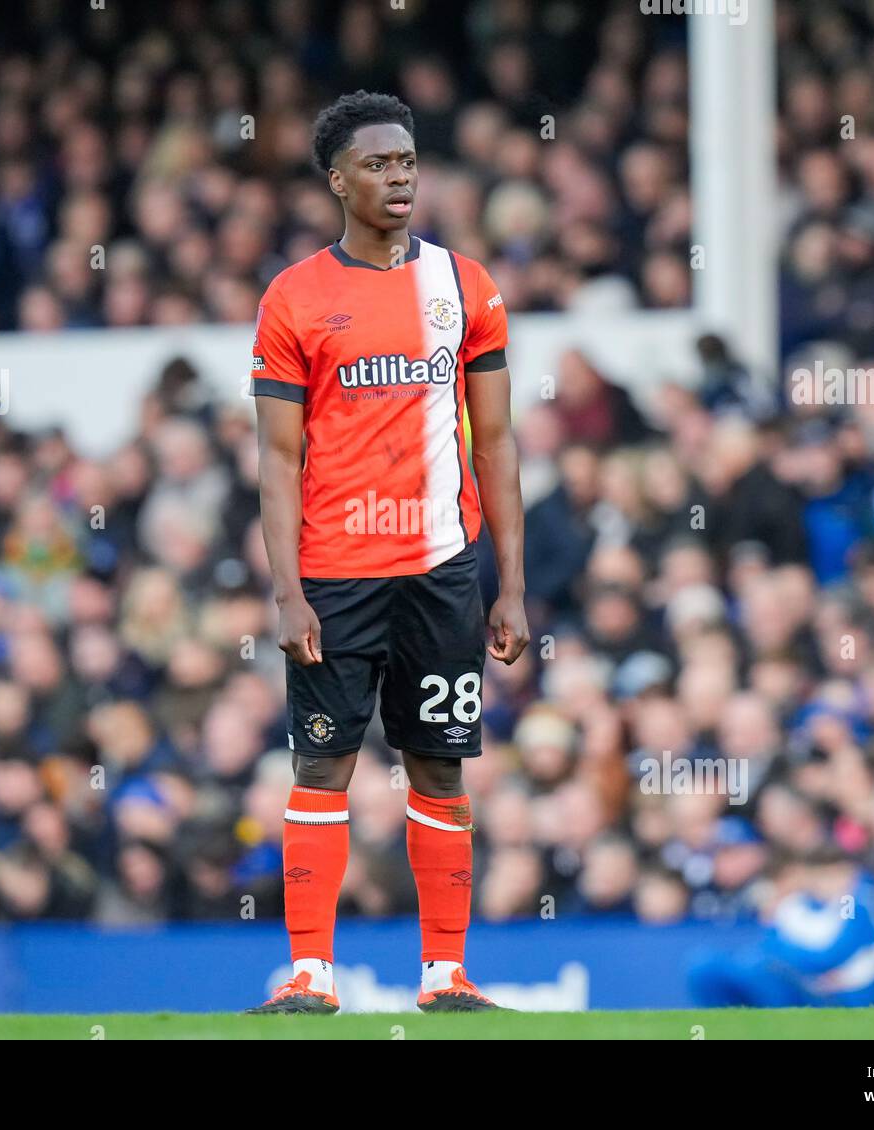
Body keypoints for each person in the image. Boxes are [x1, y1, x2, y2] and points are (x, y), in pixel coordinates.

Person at [246, 91, 529, 1014]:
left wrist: (510, 586)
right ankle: (310, 974)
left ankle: (445, 975)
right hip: (334, 571)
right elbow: (278, 459)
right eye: (377, 163)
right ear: (338, 179)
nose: (399, 176)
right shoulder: (293, 297)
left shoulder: (466, 286)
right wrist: (286, 590)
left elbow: (497, 444)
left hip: (442, 569)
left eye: (407, 160)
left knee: (439, 764)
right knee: (322, 765)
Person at [686, 849, 874, 1008]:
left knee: (760, 970)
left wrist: (782, 961)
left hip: (849, 997)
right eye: (821, 876)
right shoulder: (799, 904)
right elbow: (769, 943)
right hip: (807, 987)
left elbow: (831, 956)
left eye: (835, 875)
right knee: (705, 964)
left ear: (850, 874)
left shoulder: (859, 901)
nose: (826, 883)